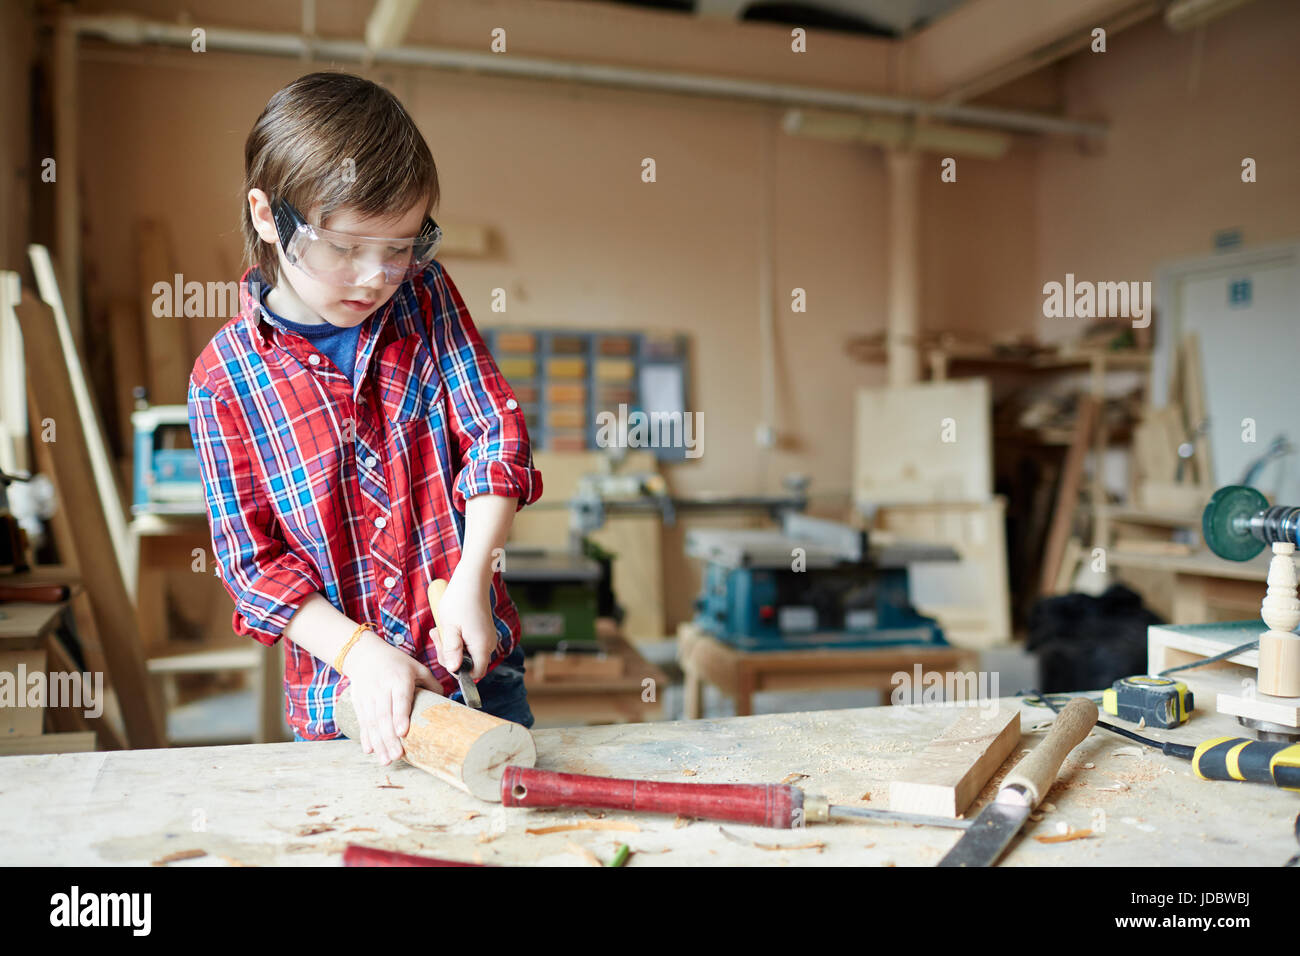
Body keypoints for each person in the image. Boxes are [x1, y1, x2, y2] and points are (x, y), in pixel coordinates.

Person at [188, 72, 542, 762]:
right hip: (343, 709)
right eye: (346, 248)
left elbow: (494, 430)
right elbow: (252, 567)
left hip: (476, 683)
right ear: (268, 215)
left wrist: (473, 574)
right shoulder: (223, 381)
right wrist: (360, 653)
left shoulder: (424, 296)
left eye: (401, 245)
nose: (376, 277)